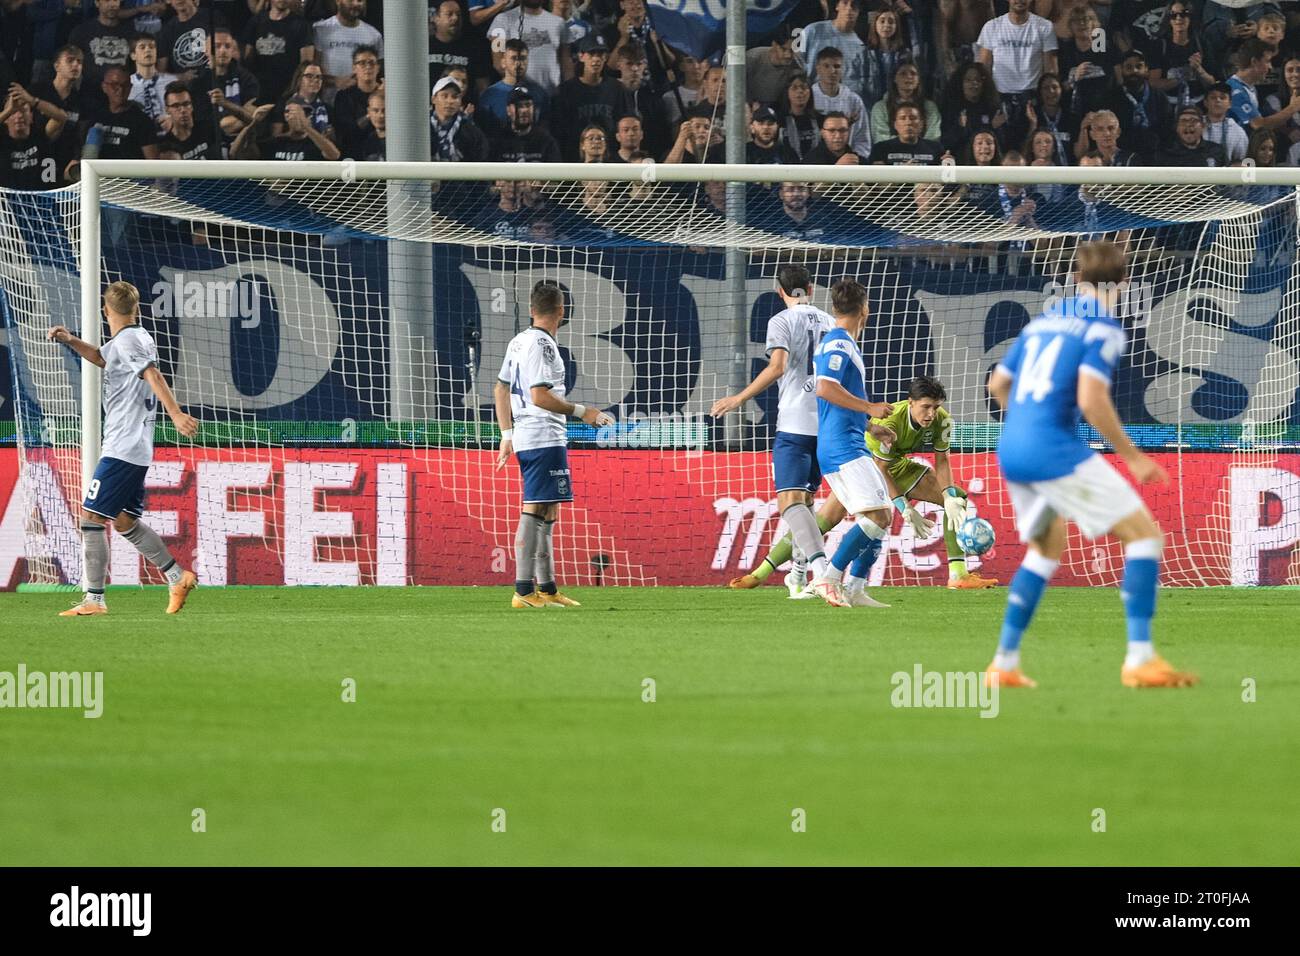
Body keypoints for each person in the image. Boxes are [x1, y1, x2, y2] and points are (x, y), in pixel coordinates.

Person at [984, 240, 1198, 689]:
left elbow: (997, 383)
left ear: (1076, 279)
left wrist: (1026, 420)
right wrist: (1133, 457)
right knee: (1144, 537)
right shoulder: (1103, 328)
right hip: (1052, 450)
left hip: (1012, 448)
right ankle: (1139, 659)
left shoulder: (1040, 324)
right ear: (1124, 282)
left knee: (1045, 549)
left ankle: (1004, 663)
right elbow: (1090, 397)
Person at [46, 281, 201, 617]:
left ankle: (94, 599)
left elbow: (152, 375)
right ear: (137, 309)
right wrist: (71, 340)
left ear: (106, 310)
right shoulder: (133, 338)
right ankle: (177, 576)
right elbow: (103, 358)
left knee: (91, 518)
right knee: (124, 521)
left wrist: (175, 414)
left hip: (123, 446)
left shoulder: (129, 341)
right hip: (133, 446)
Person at [711, 266, 849, 599]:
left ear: (780, 292)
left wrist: (738, 398)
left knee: (790, 503)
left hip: (794, 423)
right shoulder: (832, 323)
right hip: (827, 422)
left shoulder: (782, 321)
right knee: (806, 502)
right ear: (810, 288)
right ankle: (798, 578)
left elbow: (777, 366)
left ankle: (819, 572)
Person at [494, 281, 615, 608]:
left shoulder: (519, 341)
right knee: (534, 508)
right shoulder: (544, 346)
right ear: (562, 312)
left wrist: (507, 435)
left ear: (532, 310)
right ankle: (522, 590)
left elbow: (500, 390)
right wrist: (583, 412)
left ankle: (547, 589)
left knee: (548, 508)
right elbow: (540, 396)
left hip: (529, 435)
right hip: (542, 435)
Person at [807, 278, 898, 607]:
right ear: (865, 310)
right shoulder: (839, 343)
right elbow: (825, 389)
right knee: (879, 516)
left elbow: (839, 399)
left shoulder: (841, 343)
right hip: (842, 447)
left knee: (881, 515)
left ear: (834, 309)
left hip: (845, 441)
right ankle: (828, 578)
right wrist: (870, 407)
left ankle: (856, 589)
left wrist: (872, 426)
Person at [861, 375, 998, 591]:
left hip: (897, 465)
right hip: (862, 464)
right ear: (910, 402)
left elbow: (942, 461)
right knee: (831, 517)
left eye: (935, 407)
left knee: (957, 498)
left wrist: (948, 496)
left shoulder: (942, 420)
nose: (931, 413)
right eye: (925, 407)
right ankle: (809, 571)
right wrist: (903, 507)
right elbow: (880, 469)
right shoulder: (891, 422)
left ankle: (958, 575)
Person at [552, 33, 631, 161]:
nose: (596, 59)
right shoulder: (566, 91)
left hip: (610, 159)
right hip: (574, 159)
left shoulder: (616, 89)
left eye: (600, 54)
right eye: (591, 54)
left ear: (605, 57)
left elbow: (625, 123)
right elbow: (559, 131)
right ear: (581, 56)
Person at [487, 0, 571, 96]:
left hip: (553, 94)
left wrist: (569, 88)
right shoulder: (502, 20)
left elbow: (566, 62)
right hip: (519, 97)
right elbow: (498, 62)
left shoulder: (558, 22)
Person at [242, 0, 314, 107]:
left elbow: (306, 65)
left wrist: (296, 91)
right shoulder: (256, 22)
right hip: (259, 92)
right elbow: (248, 60)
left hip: (287, 93)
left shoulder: (301, 25)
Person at [1105, 49, 1172, 161]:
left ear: (1146, 70)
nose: (1134, 71)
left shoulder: (1159, 96)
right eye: (1129, 67)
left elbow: (1168, 128)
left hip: (1156, 154)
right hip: (1123, 155)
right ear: (1122, 70)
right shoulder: (1112, 97)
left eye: (1139, 66)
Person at [0, 86, 68, 189]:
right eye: (14, 112)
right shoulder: (3, 140)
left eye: (23, 110)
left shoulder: (41, 135)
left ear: (31, 116)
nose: (19, 115)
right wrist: (9, 109)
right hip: (8, 201)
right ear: (5, 119)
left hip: (41, 200)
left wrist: (33, 101)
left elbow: (61, 117)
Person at [312, 0, 383, 96]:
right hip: (325, 102)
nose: (356, 4)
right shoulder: (320, 29)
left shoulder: (374, 35)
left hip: (359, 102)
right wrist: (335, 81)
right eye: (350, 0)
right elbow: (310, 68)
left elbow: (379, 71)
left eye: (360, 0)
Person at [800, 0, 867, 100]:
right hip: (808, 99)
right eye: (845, 3)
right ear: (837, 6)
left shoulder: (860, 47)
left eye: (854, 5)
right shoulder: (812, 30)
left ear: (859, 10)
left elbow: (853, 84)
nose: (849, 8)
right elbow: (796, 64)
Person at [479, 40, 549, 135]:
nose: (518, 63)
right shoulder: (489, 95)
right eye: (514, 58)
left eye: (522, 58)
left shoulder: (539, 93)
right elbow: (484, 130)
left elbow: (544, 128)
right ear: (503, 62)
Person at [811, 47, 872, 156]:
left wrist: (854, 159)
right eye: (826, 66)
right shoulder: (809, 97)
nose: (832, 71)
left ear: (843, 69)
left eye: (837, 66)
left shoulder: (854, 100)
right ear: (818, 69)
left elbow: (862, 139)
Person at [869, 61, 940, 146]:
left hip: (924, 155)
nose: (909, 77)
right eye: (903, 74)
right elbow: (880, 138)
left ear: (918, 79)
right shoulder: (880, 108)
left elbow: (933, 137)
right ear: (894, 78)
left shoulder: (929, 107)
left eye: (913, 73)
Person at [427, 0, 490, 95]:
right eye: (449, 14)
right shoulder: (425, 47)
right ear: (436, 18)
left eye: (458, 14)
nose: (455, 18)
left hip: (465, 107)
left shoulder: (474, 47)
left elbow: (483, 86)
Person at [69, 0, 134, 86]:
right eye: (107, 0)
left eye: (115, 0)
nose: (112, 5)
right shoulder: (81, 32)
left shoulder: (131, 33)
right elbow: (71, 65)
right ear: (97, 2)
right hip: (91, 93)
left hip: (123, 92)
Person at [491, 86, 561, 162]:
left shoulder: (546, 141)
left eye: (528, 105)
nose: (524, 110)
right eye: (519, 106)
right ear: (508, 110)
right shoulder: (498, 141)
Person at [428, 75, 489, 161]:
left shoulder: (472, 132)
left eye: (455, 97)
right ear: (433, 99)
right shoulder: (420, 129)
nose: (450, 101)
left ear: (460, 101)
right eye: (444, 96)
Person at [155, 81, 220, 159]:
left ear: (192, 106)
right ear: (167, 110)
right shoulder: (167, 146)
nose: (183, 110)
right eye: (176, 106)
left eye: (186, 104)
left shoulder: (208, 128)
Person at [747, 22, 802, 107]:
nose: (788, 55)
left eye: (792, 50)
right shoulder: (752, 58)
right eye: (783, 49)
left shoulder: (797, 65)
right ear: (774, 45)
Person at [868, 103, 944, 164]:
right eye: (902, 118)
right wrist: (904, 174)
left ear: (921, 124)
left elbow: (944, 178)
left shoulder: (936, 149)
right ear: (895, 125)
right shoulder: (880, 149)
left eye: (913, 118)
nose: (908, 123)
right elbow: (877, 181)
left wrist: (948, 163)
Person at [128, 34, 177, 127]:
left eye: (152, 47)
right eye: (142, 47)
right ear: (133, 55)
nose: (148, 50)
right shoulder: (127, 84)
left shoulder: (172, 81)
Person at [1154, 105, 1228, 165]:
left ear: (1203, 126)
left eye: (1194, 121)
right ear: (1176, 128)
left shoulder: (1217, 151)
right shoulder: (1165, 153)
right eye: (1183, 121)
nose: (1188, 124)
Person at [1201, 82, 1249, 163]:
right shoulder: (1195, 125)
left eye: (1222, 97)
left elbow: (1241, 161)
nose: (1218, 100)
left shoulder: (1237, 131)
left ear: (1230, 104)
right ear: (1205, 103)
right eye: (1213, 97)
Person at [778, 72, 821, 160]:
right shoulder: (778, 119)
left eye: (804, 87)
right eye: (794, 88)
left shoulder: (820, 120)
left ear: (810, 92)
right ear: (787, 92)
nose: (800, 91)